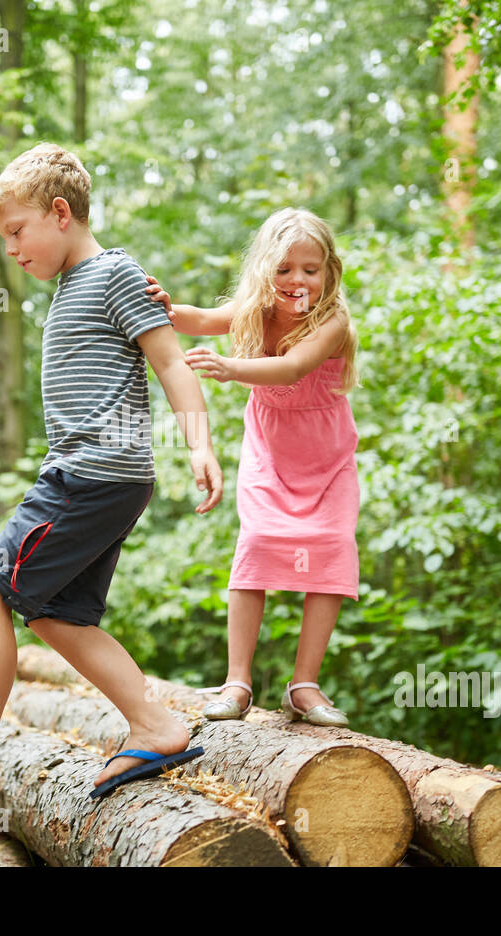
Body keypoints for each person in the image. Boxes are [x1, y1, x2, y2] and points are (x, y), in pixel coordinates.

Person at [0, 143, 224, 815]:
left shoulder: (116, 274)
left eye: (15, 231)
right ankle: (155, 726)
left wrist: (199, 447)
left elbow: (172, 364)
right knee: (56, 613)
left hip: (89, 476)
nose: (10, 248)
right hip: (101, 478)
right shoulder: (72, 283)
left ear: (60, 213)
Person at [144, 208, 360, 727]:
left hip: (327, 459)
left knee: (331, 550)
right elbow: (199, 318)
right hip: (270, 453)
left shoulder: (333, 321)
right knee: (258, 543)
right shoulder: (257, 311)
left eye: (311, 269)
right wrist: (167, 308)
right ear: (266, 269)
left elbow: (292, 367)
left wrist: (230, 369)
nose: (297, 280)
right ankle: (237, 681)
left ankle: (304, 684)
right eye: (285, 269)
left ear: (329, 271)